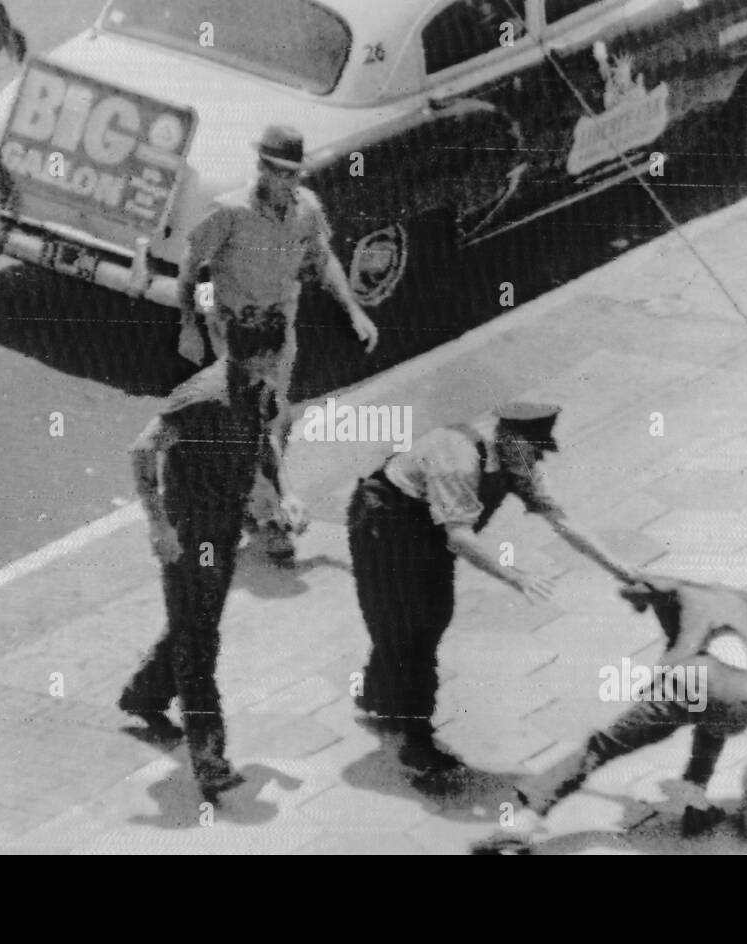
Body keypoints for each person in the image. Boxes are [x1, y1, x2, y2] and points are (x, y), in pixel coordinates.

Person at [345, 401, 640, 773]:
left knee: (421, 621)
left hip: (426, 532)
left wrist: (619, 567)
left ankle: (381, 699)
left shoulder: (516, 460)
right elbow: (460, 538)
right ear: (506, 438)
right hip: (385, 524)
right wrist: (514, 575)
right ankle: (415, 743)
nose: (533, 460)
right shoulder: (459, 457)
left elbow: (562, 520)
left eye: (537, 451)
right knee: (412, 629)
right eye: (529, 450)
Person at [471, 576, 747, 854]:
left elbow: (643, 597)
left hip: (692, 680)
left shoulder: (677, 594)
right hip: (744, 700)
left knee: (601, 748)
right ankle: (696, 803)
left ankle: (521, 822)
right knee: (711, 727)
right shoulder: (745, 602)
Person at [118, 305, 305, 803]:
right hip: (189, 533)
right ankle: (209, 755)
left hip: (222, 529)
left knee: (194, 623)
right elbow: (143, 449)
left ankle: (145, 693)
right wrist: (157, 524)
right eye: (279, 347)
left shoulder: (258, 389)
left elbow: (265, 441)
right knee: (199, 641)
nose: (285, 353)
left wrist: (284, 491)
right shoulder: (203, 397)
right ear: (262, 353)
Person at [176, 124, 379, 565]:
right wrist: (192, 325)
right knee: (257, 420)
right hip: (234, 331)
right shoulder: (228, 211)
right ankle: (269, 515)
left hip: (280, 328)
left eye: (295, 175)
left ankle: (258, 494)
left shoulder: (307, 211)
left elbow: (324, 262)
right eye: (281, 173)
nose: (290, 183)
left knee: (279, 420)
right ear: (262, 169)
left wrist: (354, 310)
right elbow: (194, 269)